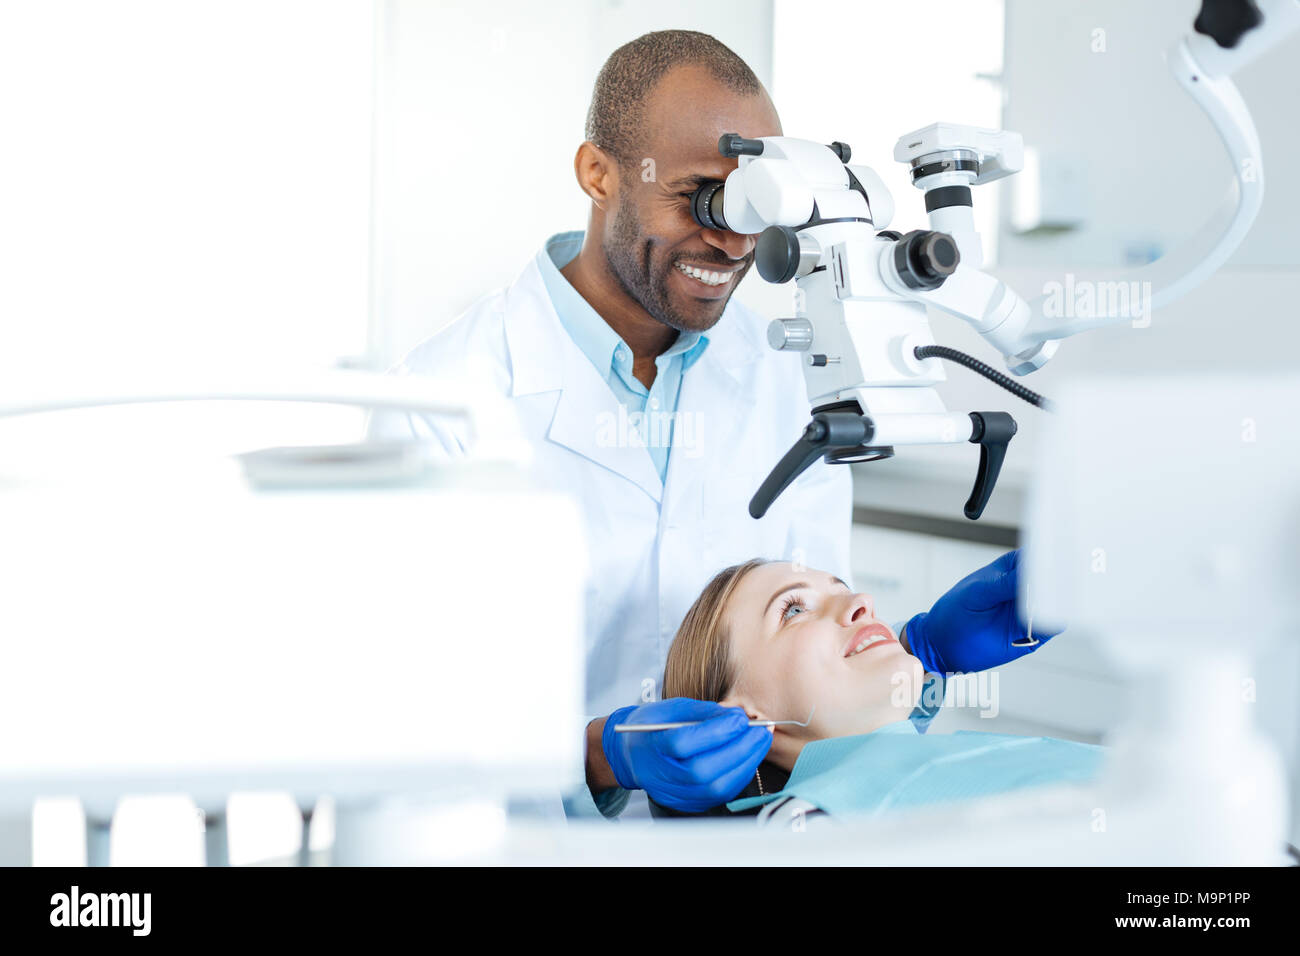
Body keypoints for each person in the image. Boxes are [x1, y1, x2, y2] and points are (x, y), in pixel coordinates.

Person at [367, 30, 1058, 819]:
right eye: (701, 197)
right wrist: (598, 756)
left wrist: (917, 659)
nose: (732, 239)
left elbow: (816, 677)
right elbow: (392, 717)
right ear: (598, 174)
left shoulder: (784, 376)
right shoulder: (440, 404)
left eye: (751, 205)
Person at [629, 557, 1100, 821]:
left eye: (844, 587)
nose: (861, 602)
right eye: (792, 609)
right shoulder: (815, 831)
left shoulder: (902, 779)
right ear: (746, 715)